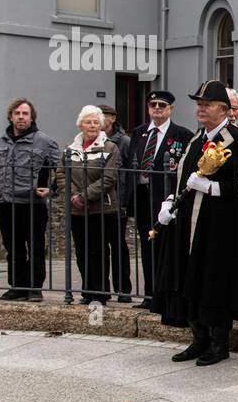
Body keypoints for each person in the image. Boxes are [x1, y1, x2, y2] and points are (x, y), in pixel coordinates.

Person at [152, 81, 238, 366]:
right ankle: (198, 338)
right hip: (190, 223)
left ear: (224, 110)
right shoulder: (197, 139)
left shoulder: (234, 139)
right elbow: (184, 177)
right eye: (199, 104)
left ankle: (219, 343)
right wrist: (171, 200)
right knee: (190, 280)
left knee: (213, 284)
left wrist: (211, 188)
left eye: (207, 104)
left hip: (219, 227)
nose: (201, 108)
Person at [0, 98, 59, 301]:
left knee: (35, 246)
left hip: (32, 204)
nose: (20, 117)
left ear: (31, 117)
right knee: (13, 247)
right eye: (17, 113)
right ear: (10, 116)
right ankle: (17, 286)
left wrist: (52, 190)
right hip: (6, 203)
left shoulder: (44, 141)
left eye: (25, 114)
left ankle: (35, 288)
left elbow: (62, 169)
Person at [127, 91, 192, 308]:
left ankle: (166, 296)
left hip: (167, 199)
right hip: (143, 197)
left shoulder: (181, 134)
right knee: (148, 245)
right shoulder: (139, 132)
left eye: (161, 105)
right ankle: (150, 293)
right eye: (153, 104)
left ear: (170, 109)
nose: (157, 108)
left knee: (166, 246)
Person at [63, 106, 122, 305]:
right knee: (82, 252)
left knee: (99, 251)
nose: (92, 126)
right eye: (88, 122)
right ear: (81, 124)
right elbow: (62, 174)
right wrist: (74, 196)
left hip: (102, 208)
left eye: (96, 122)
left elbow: (109, 178)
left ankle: (100, 292)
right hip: (77, 210)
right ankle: (87, 291)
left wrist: (85, 196)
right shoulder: (71, 149)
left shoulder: (110, 147)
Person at [97, 104, 134, 302]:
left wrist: (126, 201)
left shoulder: (124, 142)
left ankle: (123, 289)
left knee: (118, 246)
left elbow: (130, 174)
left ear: (112, 118)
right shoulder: (94, 141)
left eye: (103, 116)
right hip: (98, 204)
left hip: (117, 203)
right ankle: (102, 289)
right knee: (99, 247)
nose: (100, 120)